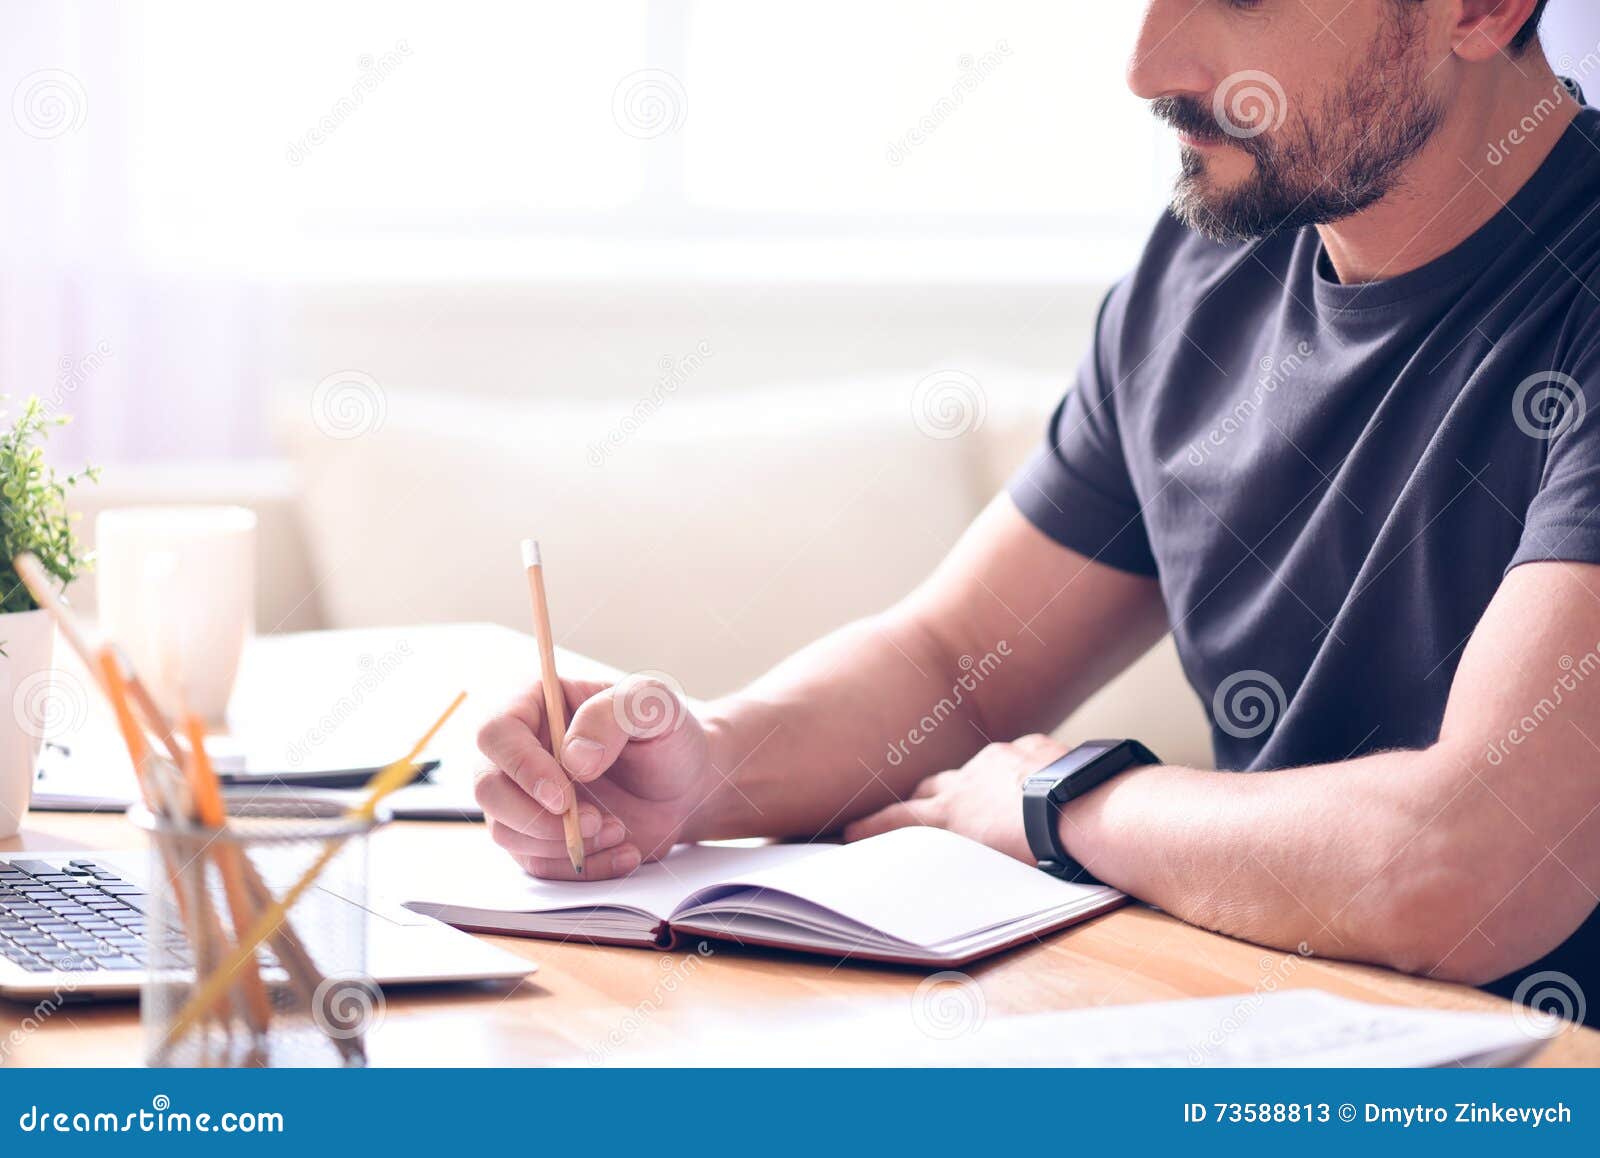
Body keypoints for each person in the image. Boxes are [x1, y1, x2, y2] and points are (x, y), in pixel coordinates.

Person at [476, 0, 1599, 1024]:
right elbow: (955, 662)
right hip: (1291, 1041)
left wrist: (1061, 804)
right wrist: (702, 768)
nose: (1145, 66)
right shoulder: (1202, 276)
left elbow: (1474, 864)